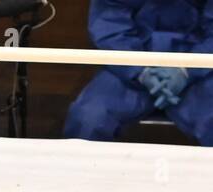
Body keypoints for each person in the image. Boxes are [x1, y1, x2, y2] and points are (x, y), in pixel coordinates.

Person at [64, 0, 213, 146]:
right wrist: (139, 70)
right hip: (127, 67)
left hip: (199, 70)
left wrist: (187, 70)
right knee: (88, 119)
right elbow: (109, 29)